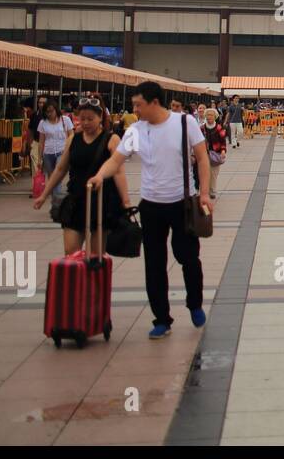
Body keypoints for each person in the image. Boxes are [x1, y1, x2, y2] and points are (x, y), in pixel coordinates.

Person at [87, 81, 211, 340]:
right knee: (154, 263)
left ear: (155, 102)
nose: (135, 109)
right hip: (151, 205)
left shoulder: (184, 123)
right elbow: (116, 160)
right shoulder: (136, 130)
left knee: (188, 257)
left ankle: (195, 304)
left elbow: (202, 157)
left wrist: (205, 193)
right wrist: (99, 175)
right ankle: (162, 318)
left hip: (181, 203)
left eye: (138, 105)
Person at [34, 97, 131, 254]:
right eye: (82, 118)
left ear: (100, 117)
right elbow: (60, 169)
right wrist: (44, 195)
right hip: (76, 199)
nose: (85, 122)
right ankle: (77, 278)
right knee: (71, 252)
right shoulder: (73, 139)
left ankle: (93, 278)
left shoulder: (112, 139)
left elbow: (119, 171)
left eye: (90, 119)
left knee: (95, 255)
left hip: (101, 200)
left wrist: (126, 202)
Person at [37, 101, 74, 193]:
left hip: (62, 151)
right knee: (51, 176)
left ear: (56, 110)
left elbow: (71, 135)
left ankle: (57, 199)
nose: (49, 114)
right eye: (47, 111)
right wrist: (39, 158)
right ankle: (55, 195)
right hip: (48, 153)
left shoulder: (65, 120)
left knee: (57, 174)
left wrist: (69, 149)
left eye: (51, 111)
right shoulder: (43, 123)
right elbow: (41, 142)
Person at [202, 107, 227, 202]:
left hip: (216, 154)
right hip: (204, 153)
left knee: (213, 174)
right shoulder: (202, 128)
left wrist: (223, 151)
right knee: (205, 173)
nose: (209, 117)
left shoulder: (219, 128)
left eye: (211, 115)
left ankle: (212, 191)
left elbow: (223, 141)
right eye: (207, 115)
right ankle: (205, 190)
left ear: (215, 116)